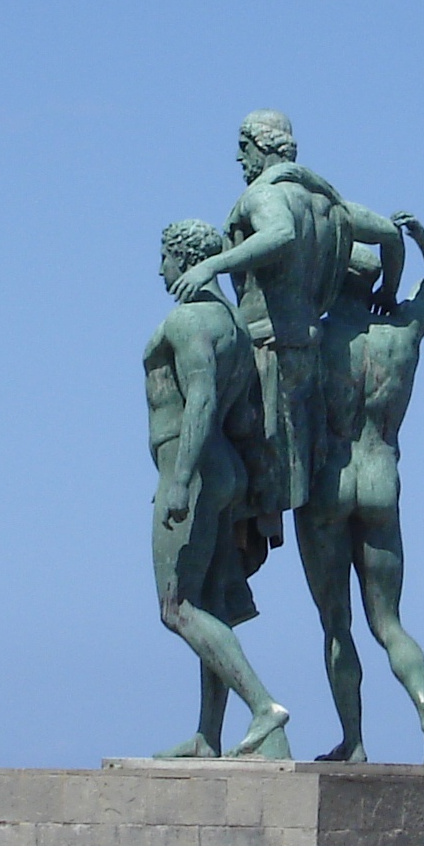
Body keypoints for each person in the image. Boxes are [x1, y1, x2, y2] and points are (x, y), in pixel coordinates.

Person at [173, 111, 399, 519]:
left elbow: (280, 234)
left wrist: (212, 265)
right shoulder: (331, 203)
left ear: (262, 146)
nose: (239, 159)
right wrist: (389, 291)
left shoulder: (264, 194)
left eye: (243, 148)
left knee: (239, 461)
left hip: (265, 345)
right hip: (305, 346)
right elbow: (390, 234)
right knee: (280, 464)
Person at [297, 213, 424, 765]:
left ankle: (355, 741)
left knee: (336, 623)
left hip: (328, 484)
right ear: (371, 282)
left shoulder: (315, 337)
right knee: (389, 623)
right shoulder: (403, 333)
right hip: (381, 480)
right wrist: (416, 234)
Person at [143, 219, 295, 759]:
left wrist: (180, 479)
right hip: (223, 469)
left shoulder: (188, 322)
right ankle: (209, 736)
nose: (160, 268)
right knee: (211, 606)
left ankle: (263, 706)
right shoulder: (230, 321)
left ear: (183, 259)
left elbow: (201, 400)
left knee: (176, 607)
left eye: (164, 256)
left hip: (193, 469)